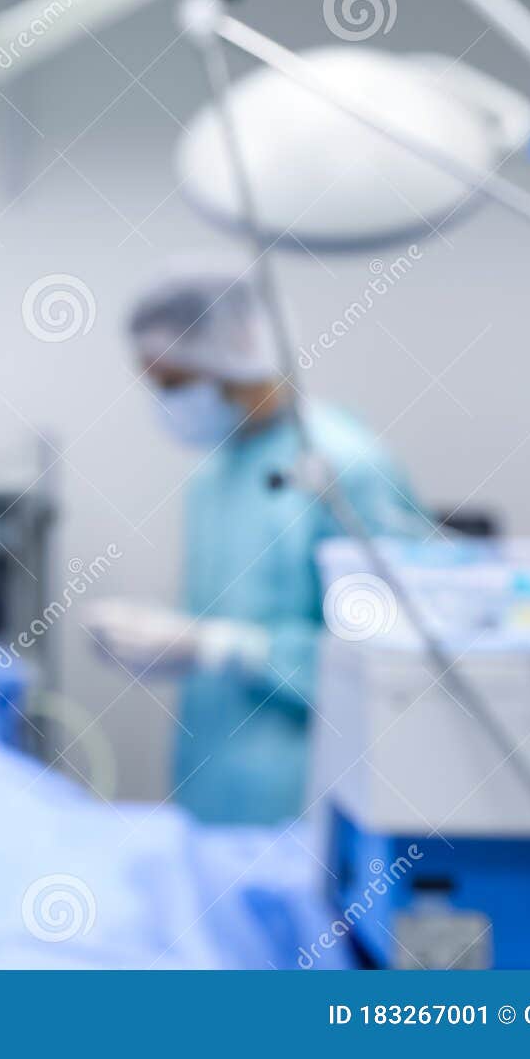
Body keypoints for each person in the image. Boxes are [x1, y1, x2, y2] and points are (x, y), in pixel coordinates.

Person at [98, 263, 427, 826]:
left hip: (306, 795)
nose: (163, 401)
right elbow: (220, 618)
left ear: (238, 363)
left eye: (174, 383)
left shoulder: (344, 466)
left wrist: (228, 648)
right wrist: (169, 641)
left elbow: (396, 656)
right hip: (212, 784)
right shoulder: (216, 472)